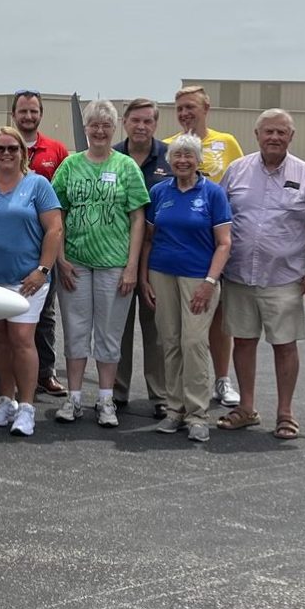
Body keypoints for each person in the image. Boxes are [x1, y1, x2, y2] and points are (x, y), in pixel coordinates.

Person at [216, 110, 305, 440]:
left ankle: (285, 413)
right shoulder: (236, 171)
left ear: (291, 137)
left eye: (282, 132)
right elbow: (220, 218)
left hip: (284, 278)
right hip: (238, 275)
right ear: (257, 134)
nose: (274, 138)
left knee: (284, 345)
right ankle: (247, 408)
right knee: (244, 341)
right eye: (269, 132)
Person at [51, 100, 150, 428]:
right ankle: (74, 398)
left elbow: (138, 218)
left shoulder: (126, 167)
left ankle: (106, 399)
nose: (99, 130)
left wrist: (132, 265)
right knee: (76, 330)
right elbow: (57, 214)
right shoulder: (69, 166)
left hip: (114, 264)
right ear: (86, 128)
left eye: (106, 125)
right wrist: (60, 258)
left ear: (114, 128)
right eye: (93, 124)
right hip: (76, 263)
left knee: (109, 334)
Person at [140, 134, 232, 444]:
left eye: (188, 156)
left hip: (198, 278)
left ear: (198, 160)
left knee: (194, 343)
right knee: (170, 342)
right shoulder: (159, 192)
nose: (182, 161)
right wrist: (143, 278)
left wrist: (210, 282)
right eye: (177, 155)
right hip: (162, 273)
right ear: (169, 160)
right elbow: (149, 239)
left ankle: (197, 414)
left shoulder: (213, 194)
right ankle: (174, 409)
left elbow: (224, 243)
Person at [0, 127, 60, 437]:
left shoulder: (38, 185)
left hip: (28, 281)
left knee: (23, 341)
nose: (6, 153)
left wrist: (43, 270)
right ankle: (5, 401)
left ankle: (27, 407)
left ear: (23, 152)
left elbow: (54, 231)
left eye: (12, 148)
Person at [166, 85, 244, 409]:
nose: (185, 113)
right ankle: (183, 386)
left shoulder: (225, 142)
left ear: (206, 108)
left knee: (218, 316)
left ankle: (222, 379)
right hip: (182, 247)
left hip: (217, 239)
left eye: (191, 107)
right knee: (181, 329)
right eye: (180, 108)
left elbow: (239, 184)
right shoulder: (169, 145)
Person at [114, 98, 172, 418]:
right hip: (116, 255)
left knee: (156, 331)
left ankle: (159, 395)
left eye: (148, 121)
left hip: (158, 259)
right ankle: (118, 390)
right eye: (135, 120)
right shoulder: (111, 157)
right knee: (119, 328)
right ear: (125, 122)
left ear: (155, 124)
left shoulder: (169, 157)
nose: (141, 126)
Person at [11, 89, 70, 398]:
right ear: (13, 115)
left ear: (41, 114)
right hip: (9, 247)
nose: (28, 116)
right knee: (4, 314)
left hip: (45, 247)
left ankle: (45, 373)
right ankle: (4, 376)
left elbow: (65, 203)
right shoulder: (3, 146)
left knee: (44, 314)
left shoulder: (57, 151)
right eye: (23, 111)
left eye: (33, 111)